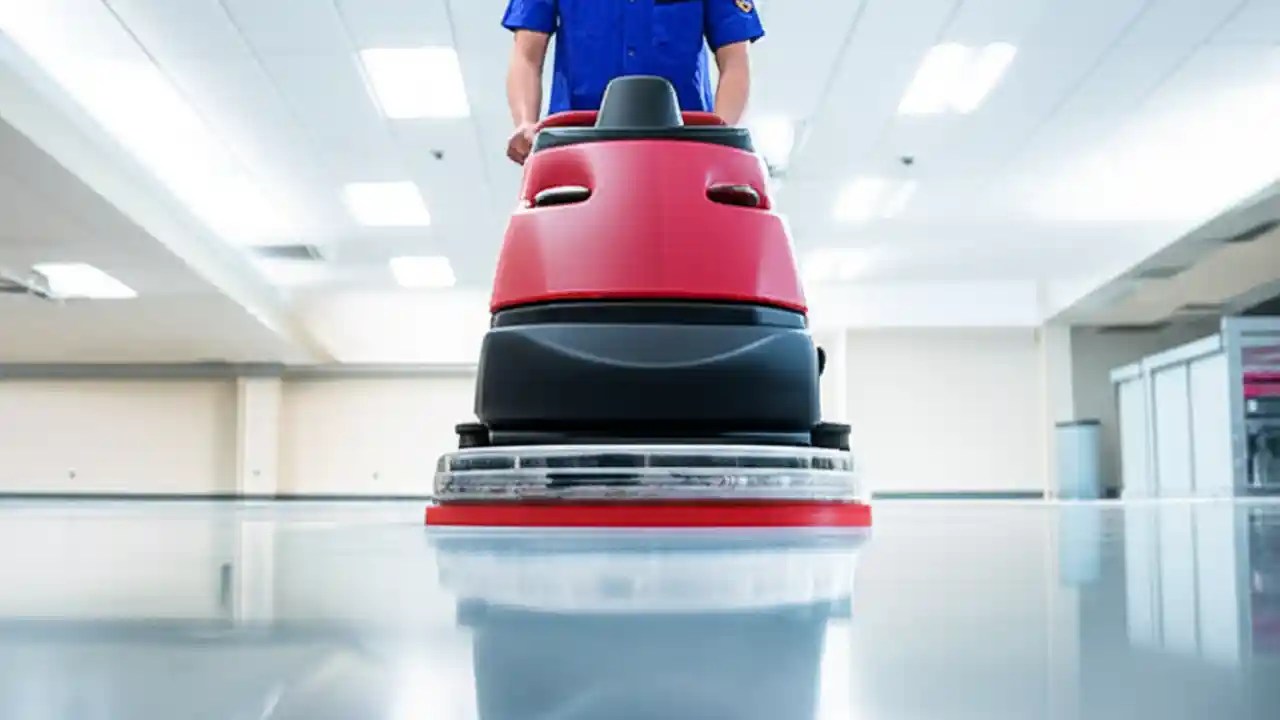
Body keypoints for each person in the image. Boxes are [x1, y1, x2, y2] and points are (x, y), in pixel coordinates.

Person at [502, 0, 765, 164]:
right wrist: (525, 122)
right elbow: (527, 55)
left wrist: (722, 134)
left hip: (686, 150)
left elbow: (735, 61)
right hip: (576, 149)